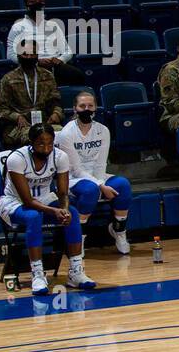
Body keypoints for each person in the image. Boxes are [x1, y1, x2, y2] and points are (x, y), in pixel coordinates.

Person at [0, 123, 98, 297]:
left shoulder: (60, 157)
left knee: (73, 214)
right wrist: (54, 212)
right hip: (14, 203)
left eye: (50, 144)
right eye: (41, 144)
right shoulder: (17, 159)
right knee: (33, 217)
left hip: (45, 200)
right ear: (31, 142)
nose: (46, 148)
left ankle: (76, 272)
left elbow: (62, 193)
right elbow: (28, 201)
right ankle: (37, 274)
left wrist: (65, 210)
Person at [54, 89, 133, 255]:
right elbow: (75, 168)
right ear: (75, 109)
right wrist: (100, 186)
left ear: (96, 108)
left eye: (91, 105)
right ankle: (78, 239)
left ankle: (119, 231)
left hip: (97, 175)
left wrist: (101, 182)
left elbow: (100, 163)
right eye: (82, 106)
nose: (87, 109)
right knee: (90, 190)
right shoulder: (66, 133)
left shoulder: (103, 130)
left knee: (123, 184)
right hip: (72, 178)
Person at [0, 38, 63, 148]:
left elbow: (56, 101)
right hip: (19, 127)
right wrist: (16, 117)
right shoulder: (8, 79)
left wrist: (56, 113)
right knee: (37, 136)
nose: (29, 57)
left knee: (62, 134)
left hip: (45, 123)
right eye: (25, 54)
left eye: (33, 54)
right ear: (18, 55)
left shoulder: (47, 76)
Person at [5, 0, 81, 84]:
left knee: (78, 75)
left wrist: (60, 60)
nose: (38, 4)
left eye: (40, 2)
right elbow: (10, 55)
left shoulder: (53, 25)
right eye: (33, 2)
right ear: (26, 5)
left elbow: (67, 51)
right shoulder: (17, 27)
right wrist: (35, 61)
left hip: (54, 65)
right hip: (32, 65)